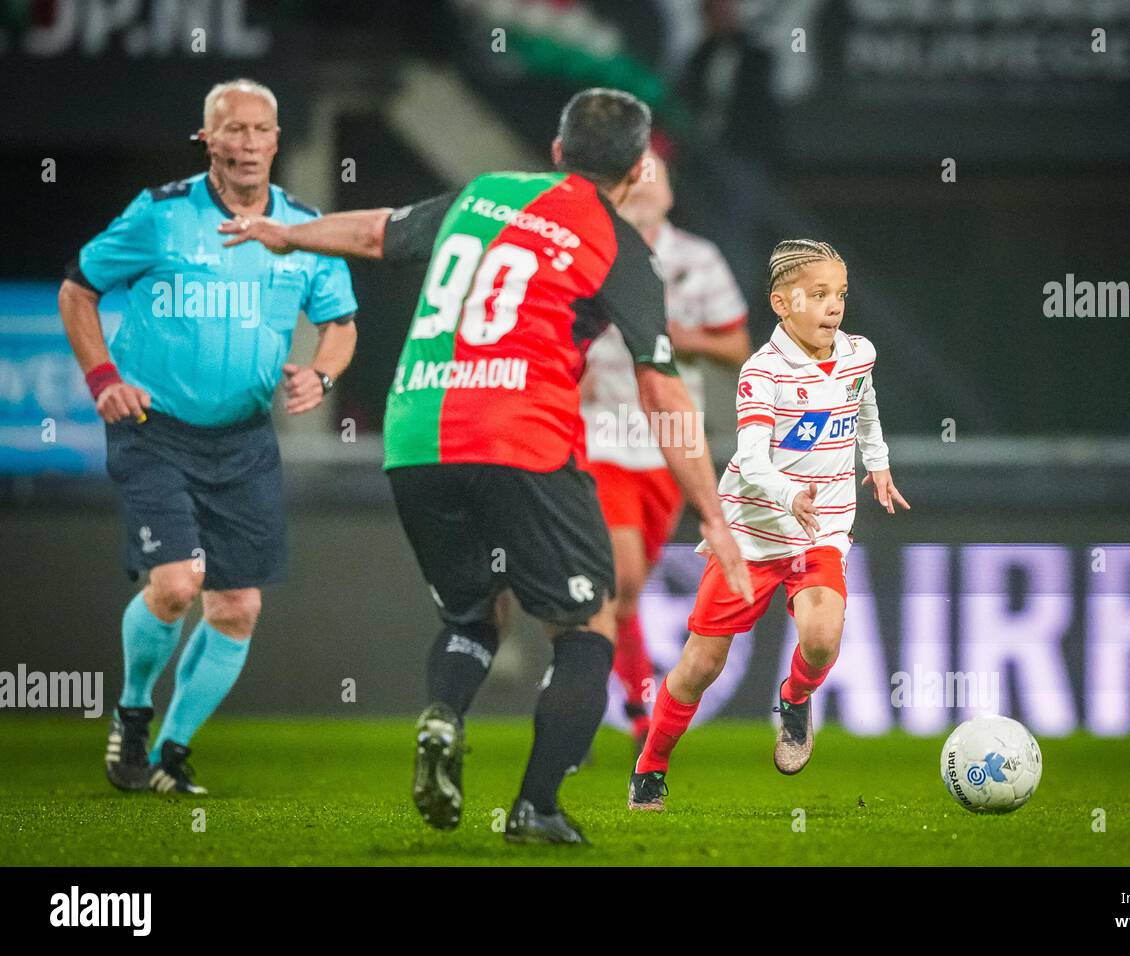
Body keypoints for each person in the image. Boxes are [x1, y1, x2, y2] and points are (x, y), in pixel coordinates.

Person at [222, 88, 753, 844]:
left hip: (414, 434)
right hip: (520, 438)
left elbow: (379, 233)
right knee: (587, 624)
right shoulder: (620, 245)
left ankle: (443, 716)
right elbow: (661, 387)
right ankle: (535, 807)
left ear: (559, 151)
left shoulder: (486, 194)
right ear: (638, 171)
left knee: (475, 613)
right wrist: (713, 512)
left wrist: (291, 234)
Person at [58, 78, 359, 795]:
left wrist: (321, 375)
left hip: (245, 440)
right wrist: (104, 380)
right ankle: (133, 709)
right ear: (208, 139)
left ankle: (171, 751)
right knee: (177, 585)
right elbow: (78, 287)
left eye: (261, 130)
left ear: (278, 142)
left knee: (237, 606)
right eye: (234, 130)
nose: (249, 143)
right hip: (153, 428)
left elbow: (342, 323)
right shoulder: (159, 216)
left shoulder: (305, 230)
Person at [627, 239, 909, 810]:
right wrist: (787, 493)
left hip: (820, 527)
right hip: (754, 531)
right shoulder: (762, 373)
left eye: (841, 294)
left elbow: (866, 404)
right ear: (782, 303)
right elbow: (752, 458)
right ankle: (651, 766)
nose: (834, 306)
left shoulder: (859, 354)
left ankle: (795, 701)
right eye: (819, 294)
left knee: (823, 637)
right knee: (699, 666)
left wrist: (876, 463)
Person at [581, 149, 751, 755]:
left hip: (671, 444)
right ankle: (635, 703)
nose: (647, 185)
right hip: (602, 434)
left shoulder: (697, 260)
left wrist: (686, 339)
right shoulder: (591, 252)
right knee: (622, 576)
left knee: (629, 587)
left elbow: (737, 344)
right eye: (636, 174)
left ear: (672, 193)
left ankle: (627, 692)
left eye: (657, 176)